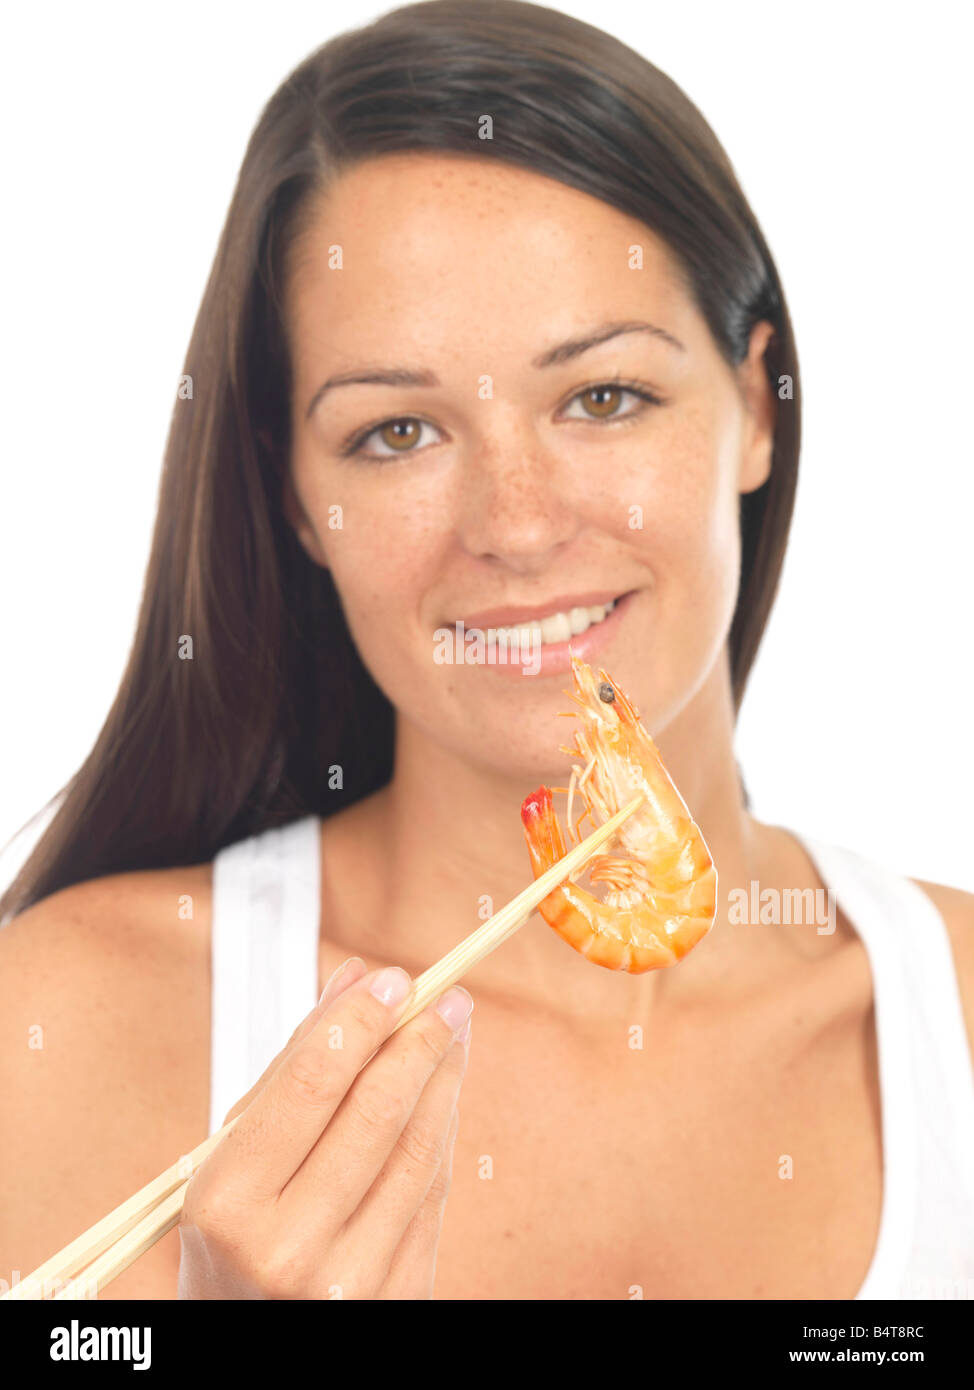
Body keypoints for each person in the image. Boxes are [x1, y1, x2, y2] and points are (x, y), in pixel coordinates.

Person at [2, 0, 972, 1301]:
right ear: (298, 496)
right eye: (396, 433)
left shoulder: (955, 1011)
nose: (515, 526)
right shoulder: (65, 1023)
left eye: (603, 396)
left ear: (753, 407)